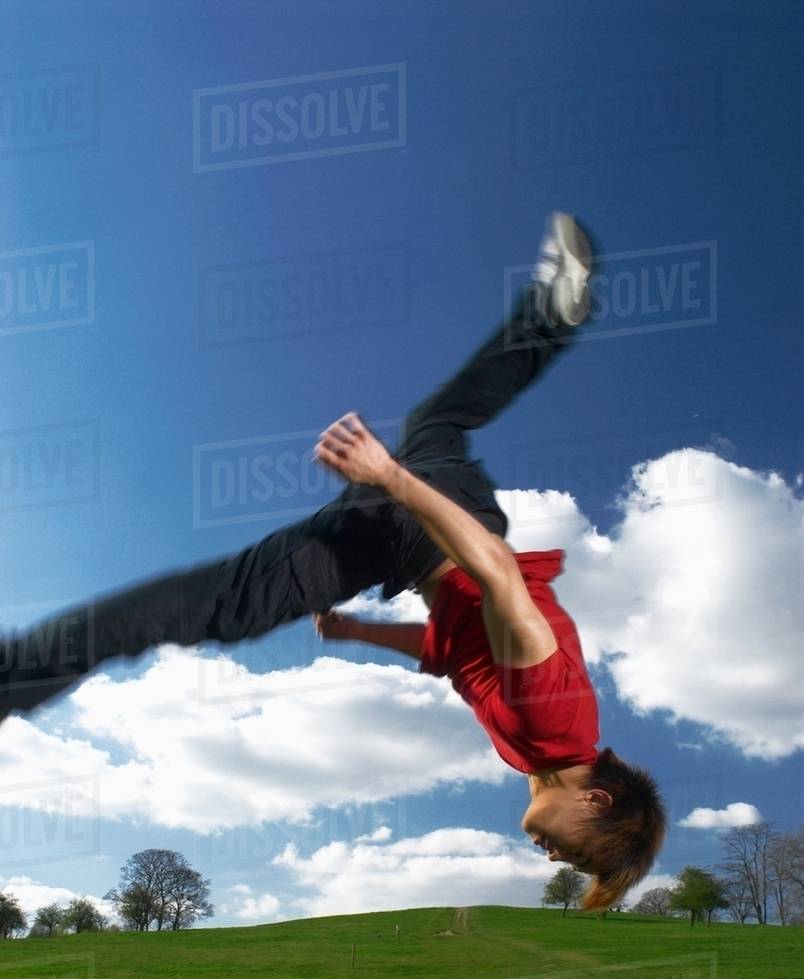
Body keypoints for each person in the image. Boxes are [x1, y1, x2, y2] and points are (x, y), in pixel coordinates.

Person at [0, 213, 665, 909]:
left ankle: (552, 315)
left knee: (438, 422)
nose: (553, 857)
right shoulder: (550, 726)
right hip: (423, 533)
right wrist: (390, 480)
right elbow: (497, 573)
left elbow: (454, 651)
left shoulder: (541, 746)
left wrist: (357, 631)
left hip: (448, 523)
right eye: (576, 852)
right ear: (595, 801)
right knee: (225, 603)